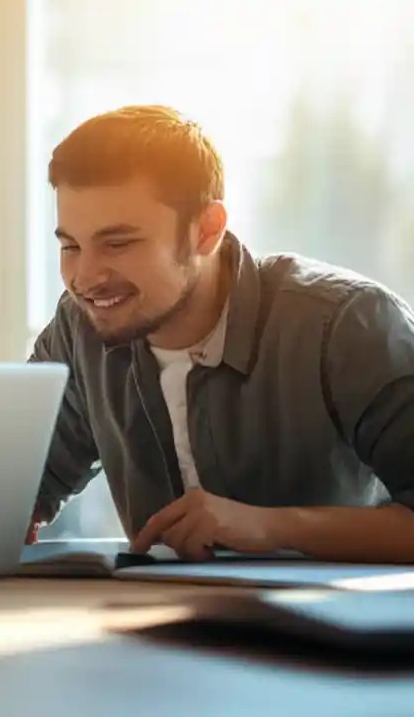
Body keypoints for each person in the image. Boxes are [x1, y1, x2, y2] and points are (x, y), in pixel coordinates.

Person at [29, 105, 414, 563]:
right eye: (70, 246)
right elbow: (15, 491)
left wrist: (270, 527)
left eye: (118, 244)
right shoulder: (80, 329)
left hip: (332, 609)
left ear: (206, 231)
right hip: (153, 606)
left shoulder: (348, 323)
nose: (86, 278)